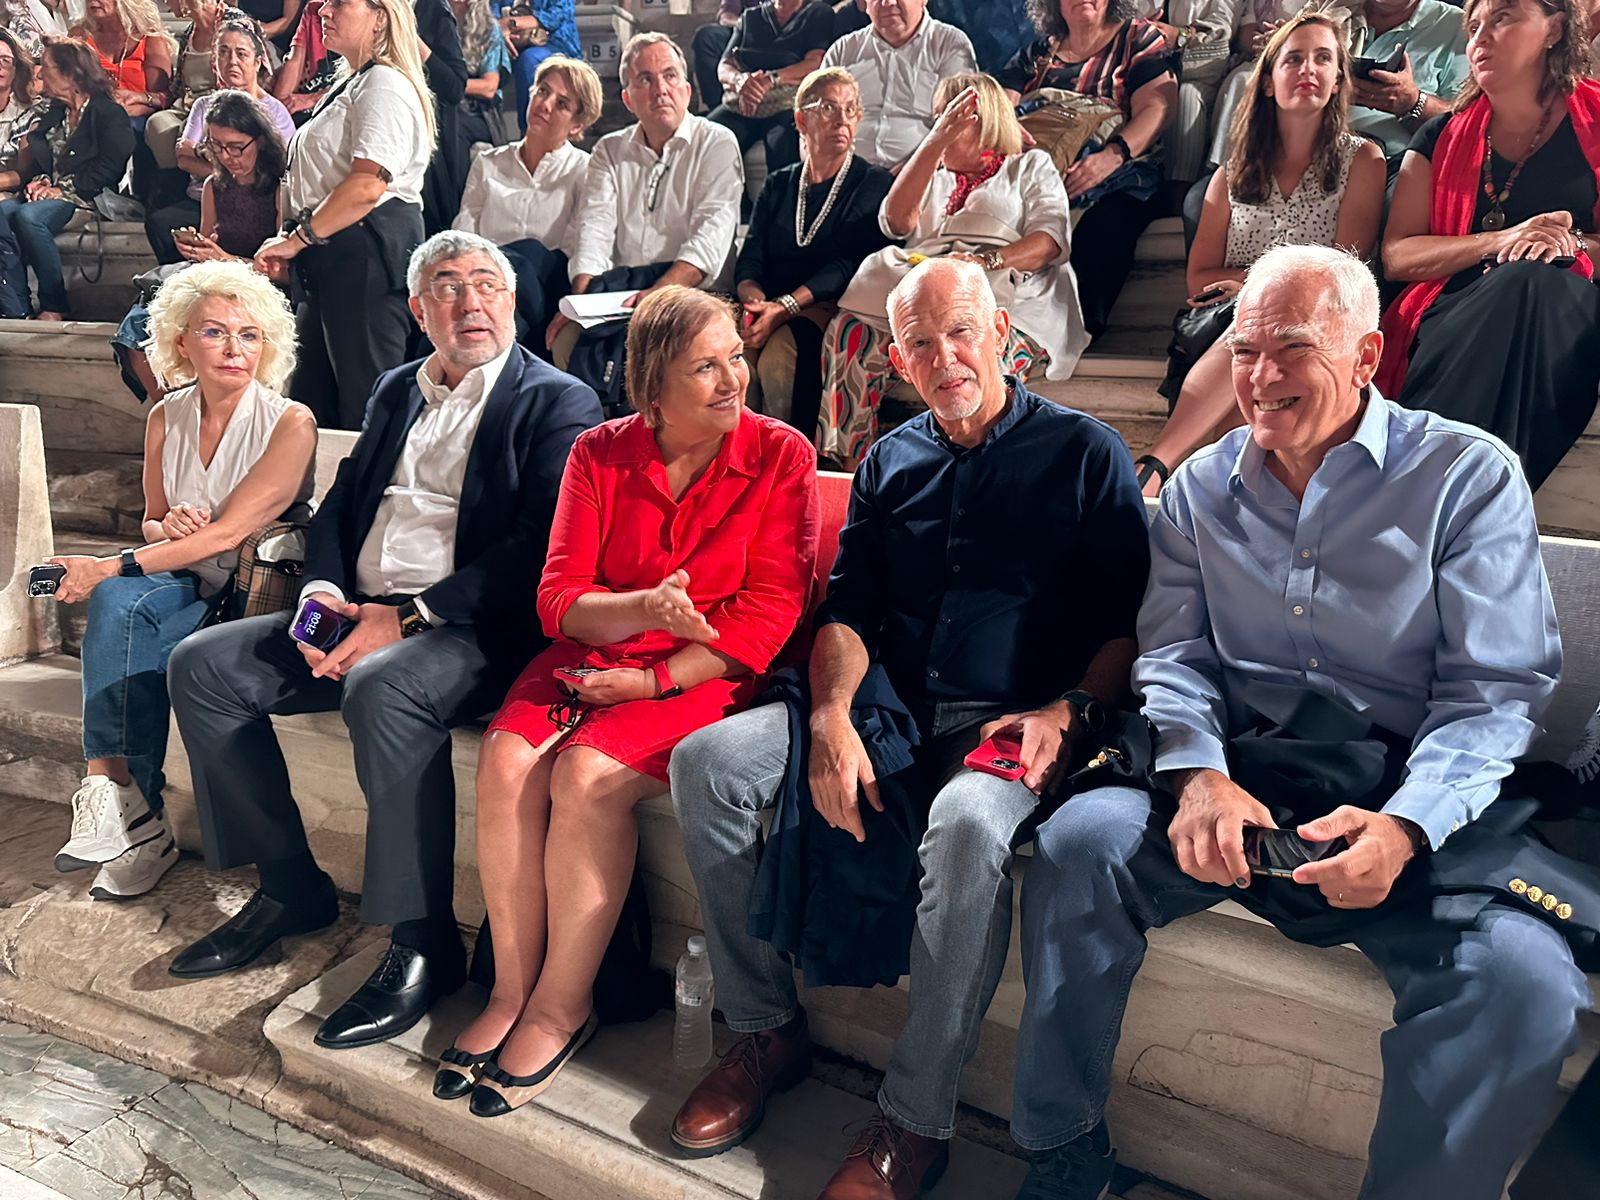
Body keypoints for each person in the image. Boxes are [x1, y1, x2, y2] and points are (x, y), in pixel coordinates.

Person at [1007, 243, 1588, 1200]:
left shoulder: (1465, 477)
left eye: (1291, 349)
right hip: (1243, 776)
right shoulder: (1198, 490)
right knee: (1082, 842)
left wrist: (1406, 825)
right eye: (1243, 351)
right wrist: (1196, 774)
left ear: (1367, 357)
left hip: (1410, 793)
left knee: (1523, 984)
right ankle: (1061, 1152)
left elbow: (1494, 695)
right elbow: (1177, 659)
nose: (1261, 378)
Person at [669, 257, 1150, 1200]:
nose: (945, 356)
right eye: (921, 343)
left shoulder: (1087, 452)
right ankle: (765, 1029)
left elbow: (1131, 625)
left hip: (1021, 720)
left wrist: (1067, 711)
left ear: (1004, 331)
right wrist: (832, 719)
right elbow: (847, 608)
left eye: (962, 331)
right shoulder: (892, 458)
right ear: (896, 358)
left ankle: (912, 1119)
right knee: (708, 763)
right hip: (888, 707)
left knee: (968, 825)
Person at [164, 232, 603, 1051]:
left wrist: (404, 619)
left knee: (384, 685)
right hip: (359, 608)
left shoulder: (559, 402)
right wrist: (324, 595)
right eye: (447, 287)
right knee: (204, 664)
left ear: (512, 301)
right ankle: (291, 884)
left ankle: (421, 939)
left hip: (470, 629)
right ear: (418, 310)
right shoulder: (398, 388)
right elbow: (340, 504)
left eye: (486, 285)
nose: (470, 302)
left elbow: (538, 548)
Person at [436, 285, 819, 1116]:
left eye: (735, 359)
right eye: (705, 368)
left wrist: (650, 676)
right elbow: (559, 596)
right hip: (592, 647)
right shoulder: (599, 453)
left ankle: (560, 1006)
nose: (732, 381)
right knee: (505, 762)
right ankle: (508, 990)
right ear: (653, 390)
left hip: (707, 669)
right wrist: (639, 610)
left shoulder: (780, 453)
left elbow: (770, 612)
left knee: (585, 776)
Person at [46, 260, 313, 903]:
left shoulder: (289, 421)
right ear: (181, 341)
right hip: (185, 577)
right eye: (215, 332)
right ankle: (121, 804)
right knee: (119, 604)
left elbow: (228, 537)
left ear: (268, 343)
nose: (233, 348)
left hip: (255, 590)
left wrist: (116, 561)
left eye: (249, 334)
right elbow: (152, 519)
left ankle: (134, 819)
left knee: (115, 590)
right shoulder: (166, 415)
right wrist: (170, 526)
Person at [1138, 10, 1385, 494]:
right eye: (1293, 59)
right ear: (1268, 81)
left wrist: (1251, 282)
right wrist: (1255, 292)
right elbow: (1198, 278)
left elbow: (1345, 267)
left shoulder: (1364, 159)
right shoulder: (1229, 176)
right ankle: (1211, 494)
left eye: (1322, 59)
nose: (1308, 70)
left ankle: (1154, 467)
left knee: (1262, 319)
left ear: (1338, 79)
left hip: (1318, 325)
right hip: (1230, 332)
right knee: (1254, 326)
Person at [1378, 0, 1600, 491]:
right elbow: (1397, 255)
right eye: (1474, 25)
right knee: (1512, 283)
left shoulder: (1597, 119)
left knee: (1526, 283)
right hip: (1455, 308)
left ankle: (1431, 490)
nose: (1480, 37)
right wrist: (1501, 240)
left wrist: (1571, 241)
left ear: (1554, 30)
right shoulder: (1440, 134)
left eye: (1503, 18)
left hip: (1564, 308)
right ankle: (1471, 497)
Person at [818, 74, 1082, 469]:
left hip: (1017, 303)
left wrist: (987, 261)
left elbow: (1050, 242)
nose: (937, 126)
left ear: (977, 118)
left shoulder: (1029, 166)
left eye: (946, 117)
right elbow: (895, 223)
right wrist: (933, 145)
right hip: (931, 305)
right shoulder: (933, 174)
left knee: (985, 347)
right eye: (936, 119)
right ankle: (850, 464)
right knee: (848, 329)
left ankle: (985, 467)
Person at [254, 0, 434, 431]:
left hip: (363, 257)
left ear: (380, 15)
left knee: (364, 411)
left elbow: (367, 185)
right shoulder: (355, 83)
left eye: (340, 2)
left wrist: (298, 238)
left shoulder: (385, 85)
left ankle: (370, 500)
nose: (322, 11)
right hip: (332, 256)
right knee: (315, 408)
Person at [551, 33, 744, 371]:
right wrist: (581, 306)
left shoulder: (717, 142)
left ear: (687, 89)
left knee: (663, 350)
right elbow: (593, 230)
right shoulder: (609, 151)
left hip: (694, 294)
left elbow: (710, 237)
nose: (661, 89)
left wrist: (657, 297)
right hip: (623, 297)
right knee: (568, 341)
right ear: (628, 99)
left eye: (670, 75)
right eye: (646, 79)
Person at [1000, 0, 1177, 339]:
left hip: (1120, 174)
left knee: (1104, 229)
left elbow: (1158, 107)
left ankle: (1064, 334)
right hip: (1039, 177)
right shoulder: (1035, 55)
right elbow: (999, 113)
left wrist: (1110, 157)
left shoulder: (1137, 39)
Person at [735, 65, 893, 432]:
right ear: (801, 119)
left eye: (850, 109)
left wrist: (786, 306)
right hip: (768, 306)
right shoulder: (778, 184)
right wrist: (755, 304)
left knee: (777, 359)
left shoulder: (872, 181)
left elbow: (848, 264)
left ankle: (787, 462)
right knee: (732, 354)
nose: (841, 119)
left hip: (827, 308)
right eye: (828, 108)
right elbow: (751, 258)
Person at [116, 90, 290, 404]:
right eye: (217, 147)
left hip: (261, 287)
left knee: (206, 331)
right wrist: (200, 250)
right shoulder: (214, 185)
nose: (226, 157)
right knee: (138, 322)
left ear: (260, 141)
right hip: (218, 282)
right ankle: (172, 413)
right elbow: (211, 245)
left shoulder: (280, 186)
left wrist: (226, 260)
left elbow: (282, 272)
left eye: (236, 147)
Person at [453, 54, 600, 348]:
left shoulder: (586, 170)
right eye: (542, 91)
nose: (545, 105)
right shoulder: (487, 162)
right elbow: (463, 237)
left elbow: (576, 247)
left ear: (576, 125)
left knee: (532, 255)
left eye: (562, 103)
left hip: (545, 294)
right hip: (483, 287)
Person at [3, 40, 134, 320]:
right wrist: (40, 181)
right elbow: (44, 162)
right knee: (2, 212)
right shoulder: (55, 113)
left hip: (86, 198)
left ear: (71, 74)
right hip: (49, 195)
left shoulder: (108, 113)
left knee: (30, 219)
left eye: (46, 67)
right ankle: (14, 306)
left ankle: (55, 304)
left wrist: (60, 190)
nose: (39, 74)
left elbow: (110, 166)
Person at [145, 20, 294, 263]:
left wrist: (213, 160)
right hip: (207, 198)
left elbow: (281, 166)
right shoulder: (206, 107)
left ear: (258, 62)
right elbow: (183, 155)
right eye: (223, 53)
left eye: (241, 54)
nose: (232, 61)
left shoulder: (273, 111)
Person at [819, 0, 976, 171]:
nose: (887, 2)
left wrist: (909, 174)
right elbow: (814, 121)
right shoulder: (842, 51)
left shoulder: (950, 45)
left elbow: (960, 127)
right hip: (844, 177)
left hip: (922, 177)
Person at [708, 0, 834, 175]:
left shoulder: (817, 12)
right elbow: (724, 65)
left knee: (782, 145)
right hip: (744, 103)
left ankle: (778, 202)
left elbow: (815, 63)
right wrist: (741, 81)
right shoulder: (750, 17)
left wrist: (771, 79)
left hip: (787, 105)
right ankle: (738, 203)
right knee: (709, 137)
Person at [1347, 0, 1472, 168]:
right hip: (1312, 143)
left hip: (1393, 164)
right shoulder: (1331, 7)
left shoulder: (1457, 26)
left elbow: (1466, 121)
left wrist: (1413, 102)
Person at [1134, 0, 1241, 190]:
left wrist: (1180, 35)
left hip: (1198, 73)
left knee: (1188, 96)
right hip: (1140, 59)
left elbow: (1223, 24)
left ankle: (1178, 194)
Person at [413, 0, 469, 234]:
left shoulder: (433, 8)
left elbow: (455, 87)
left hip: (428, 145)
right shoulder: (368, 9)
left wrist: (409, 37)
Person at [73, 0, 174, 121]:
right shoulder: (80, 36)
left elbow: (164, 99)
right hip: (90, 116)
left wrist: (137, 108)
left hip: (137, 119)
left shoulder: (149, 40)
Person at [495, 0, 580, 133]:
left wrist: (511, 24)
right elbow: (490, 14)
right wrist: (499, 29)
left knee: (529, 60)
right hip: (506, 43)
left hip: (554, 44)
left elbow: (560, 13)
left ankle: (530, 132)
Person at [452, 0, 512, 151]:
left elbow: (489, 87)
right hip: (442, 101)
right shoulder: (430, 19)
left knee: (453, 128)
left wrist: (449, 83)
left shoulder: (489, 28)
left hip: (477, 109)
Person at [272, 0, 341, 125]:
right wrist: (278, 108)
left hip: (336, 110)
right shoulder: (314, 9)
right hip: (307, 106)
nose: (323, 11)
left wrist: (312, 99)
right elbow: (294, 61)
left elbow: (359, 87)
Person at [0, 28, 46, 203]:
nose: (0, 65)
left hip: (9, 194)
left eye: (6, 60)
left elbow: (24, 173)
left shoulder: (31, 112)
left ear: (16, 69)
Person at [693, 0, 761, 112]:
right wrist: (746, 25)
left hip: (781, 34)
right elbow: (726, 17)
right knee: (706, 37)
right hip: (743, 32)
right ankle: (717, 106)